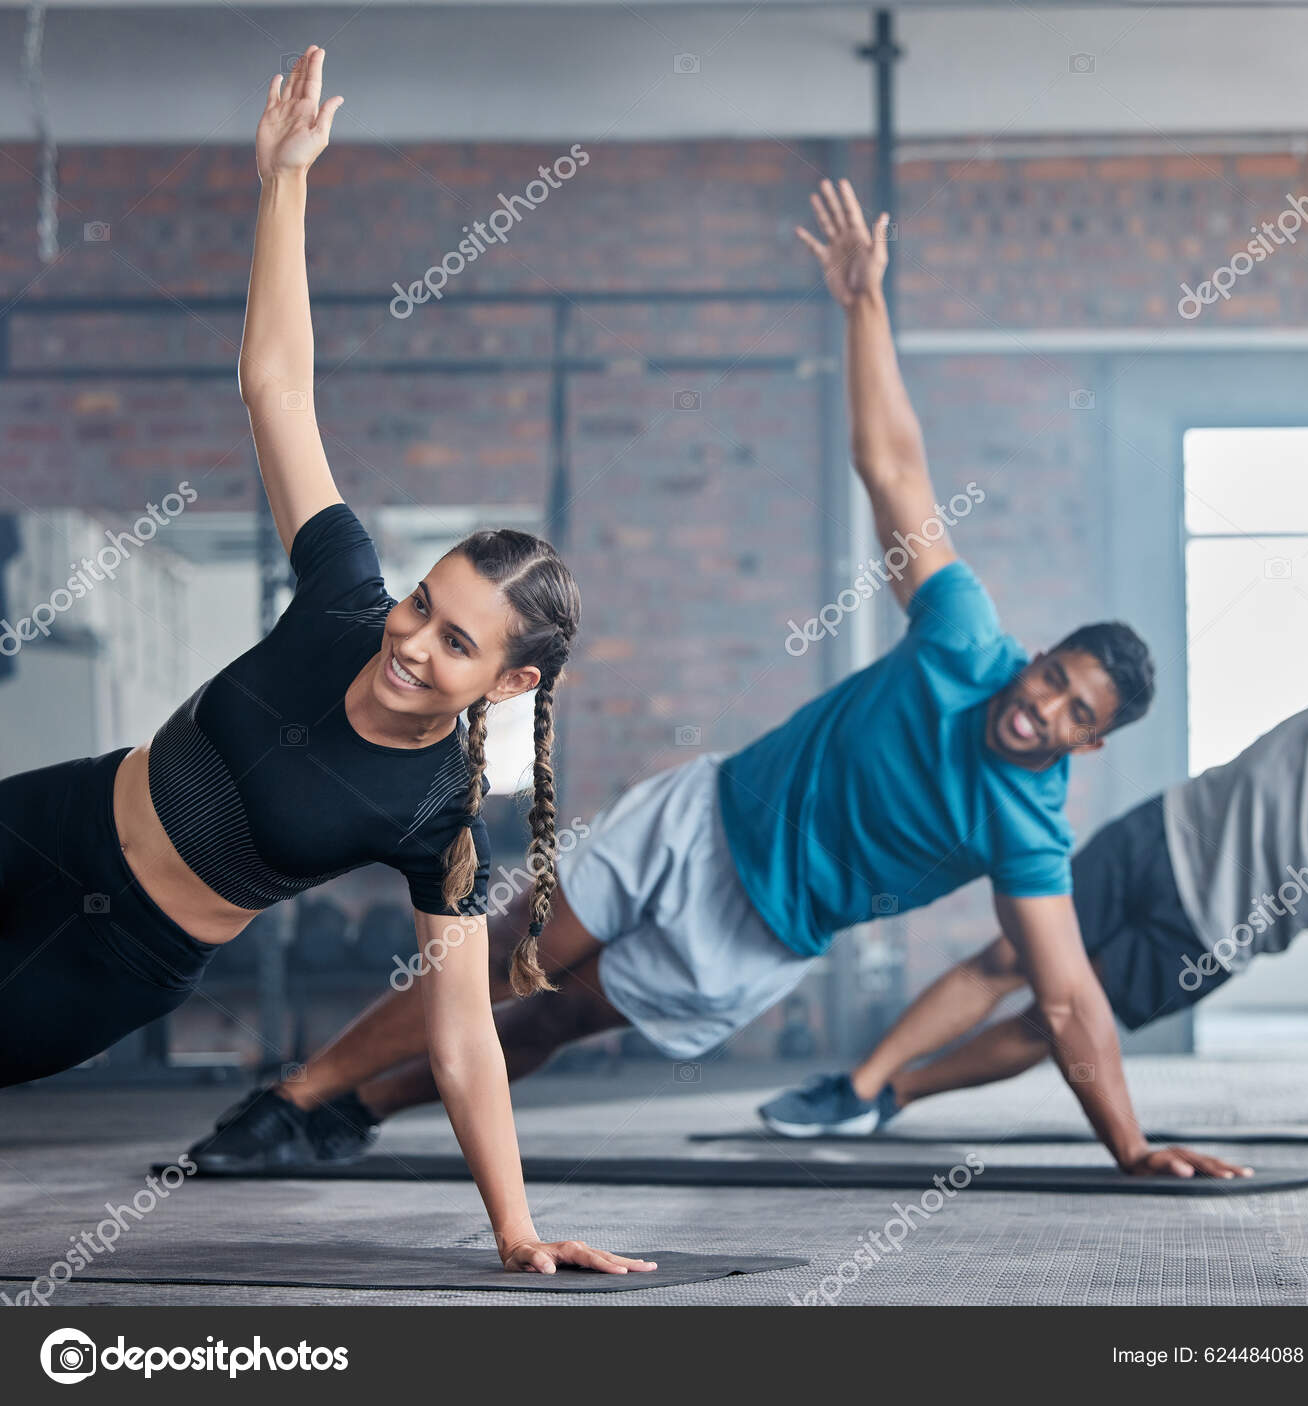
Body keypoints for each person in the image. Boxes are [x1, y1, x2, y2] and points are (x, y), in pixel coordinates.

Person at [183, 176, 1250, 1183]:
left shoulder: (1029, 824)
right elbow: (893, 469)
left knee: (550, 1019)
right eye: (1055, 675)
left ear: (1089, 742)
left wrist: (1131, 1146)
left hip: (759, 932)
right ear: (1038, 655)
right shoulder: (965, 637)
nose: (1042, 707)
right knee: (515, 956)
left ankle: (352, 1113)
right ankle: (293, 1092)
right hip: (702, 817)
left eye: (1075, 713)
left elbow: (1064, 998)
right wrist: (863, 305)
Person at [0, 46, 651, 1278]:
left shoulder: (437, 816)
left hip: (112, 954)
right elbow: (276, 388)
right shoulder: (345, 593)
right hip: (58, 813)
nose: (409, 638)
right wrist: (284, 182)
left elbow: (462, 1040)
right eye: (422, 603)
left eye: (456, 640)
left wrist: (513, 1230)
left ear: (510, 684)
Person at [762, 298, 1308, 1139]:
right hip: (1166, 834)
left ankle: (896, 1097)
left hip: (1213, 934)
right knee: (1009, 957)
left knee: (1059, 1020)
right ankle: (856, 1086)